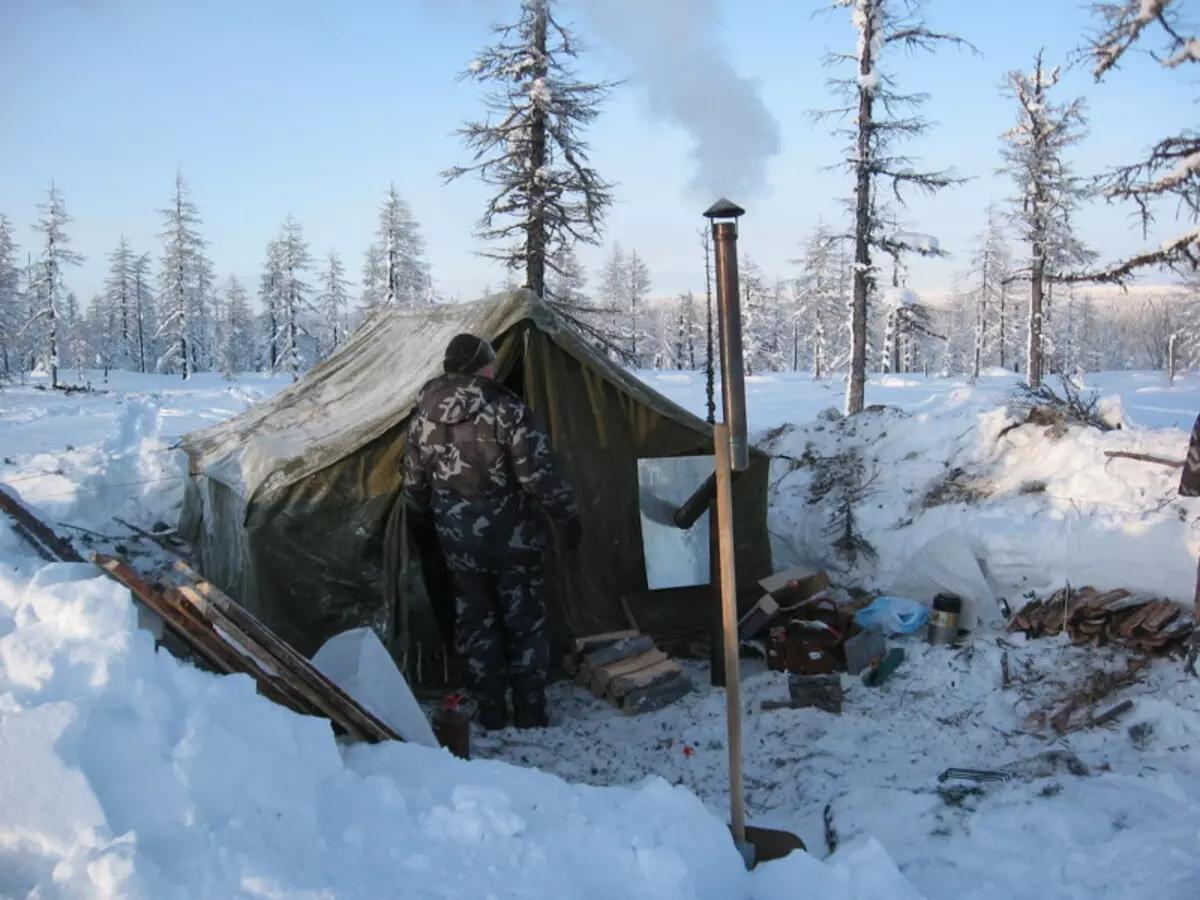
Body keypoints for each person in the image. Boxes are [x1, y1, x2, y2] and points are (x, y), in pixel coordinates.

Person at [401, 332, 582, 729]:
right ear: (480, 366)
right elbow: (538, 477)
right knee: (525, 621)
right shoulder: (508, 411)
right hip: (512, 538)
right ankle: (530, 711)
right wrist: (567, 517)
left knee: (474, 621)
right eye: (490, 362)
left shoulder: (422, 418)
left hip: (456, 542)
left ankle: (492, 710)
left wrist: (423, 527)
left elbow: (414, 485)